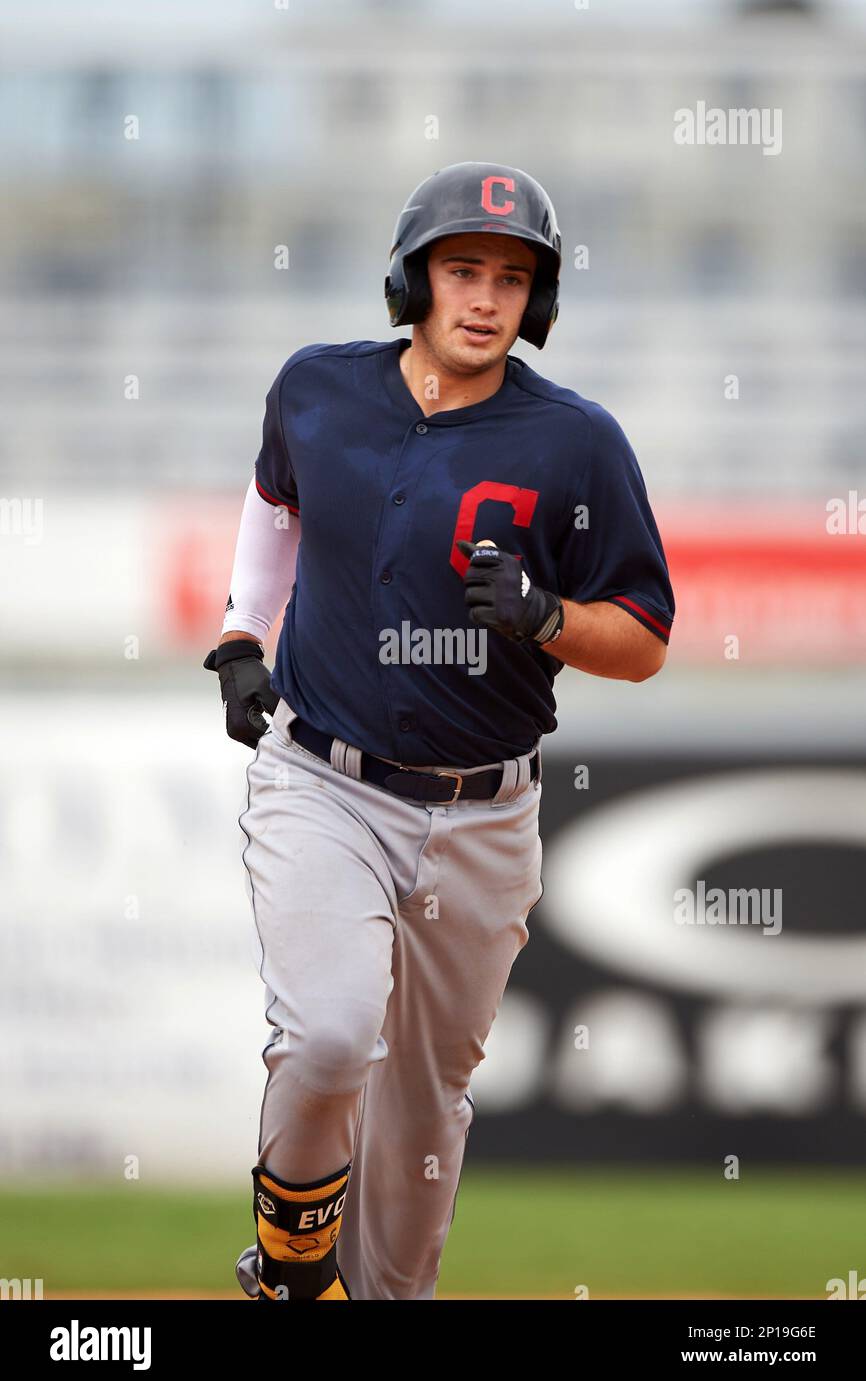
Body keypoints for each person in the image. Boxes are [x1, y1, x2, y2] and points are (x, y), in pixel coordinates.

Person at [204, 161, 675, 1301]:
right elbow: (275, 506)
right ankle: (292, 1265)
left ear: (537, 303)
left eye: (511, 279)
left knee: (423, 1111)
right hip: (323, 779)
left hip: (484, 816)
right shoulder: (315, 389)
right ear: (412, 279)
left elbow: (646, 637)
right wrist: (238, 637)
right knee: (325, 1036)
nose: (483, 297)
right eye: (461, 269)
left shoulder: (576, 443)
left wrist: (547, 617)